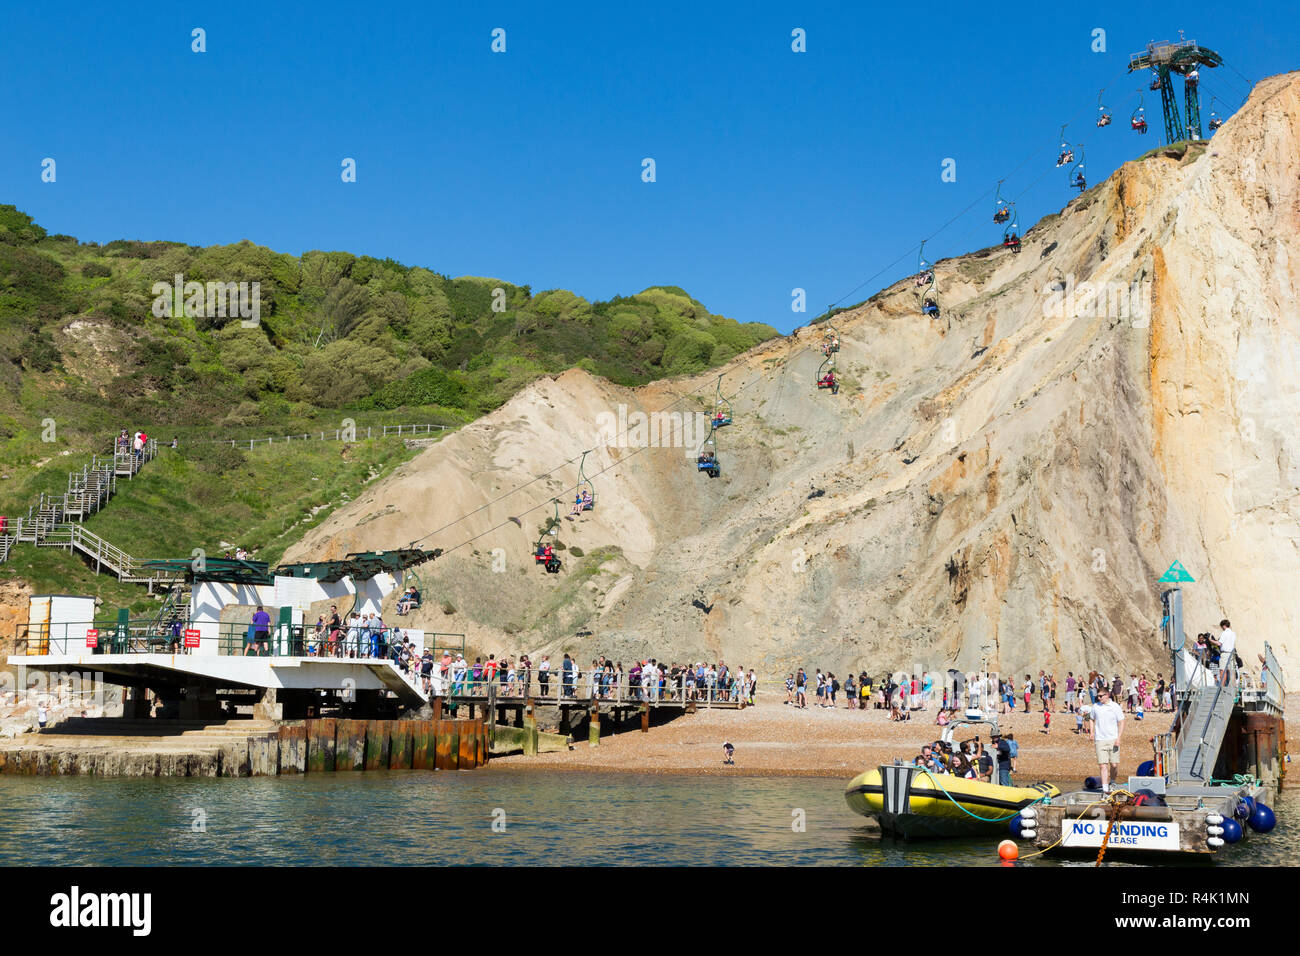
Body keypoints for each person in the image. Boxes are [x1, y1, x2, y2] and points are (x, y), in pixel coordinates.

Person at [1090, 688, 1125, 793]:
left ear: (1107, 695)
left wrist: (1119, 737)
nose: (1099, 698)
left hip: (1113, 738)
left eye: (1101, 696)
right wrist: (1091, 732)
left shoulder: (1115, 706)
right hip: (1100, 739)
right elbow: (1091, 719)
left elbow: (1122, 721)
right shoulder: (1095, 707)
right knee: (1102, 765)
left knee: (1114, 764)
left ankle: (1113, 781)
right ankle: (1105, 789)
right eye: (1098, 696)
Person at [1217, 619, 1237, 685]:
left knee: (1223, 670)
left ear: (1223, 626)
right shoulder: (1233, 633)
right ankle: (1233, 685)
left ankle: (1221, 687)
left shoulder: (1224, 633)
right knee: (1231, 670)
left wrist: (1211, 640)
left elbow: (1219, 643)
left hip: (1225, 653)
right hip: (1231, 653)